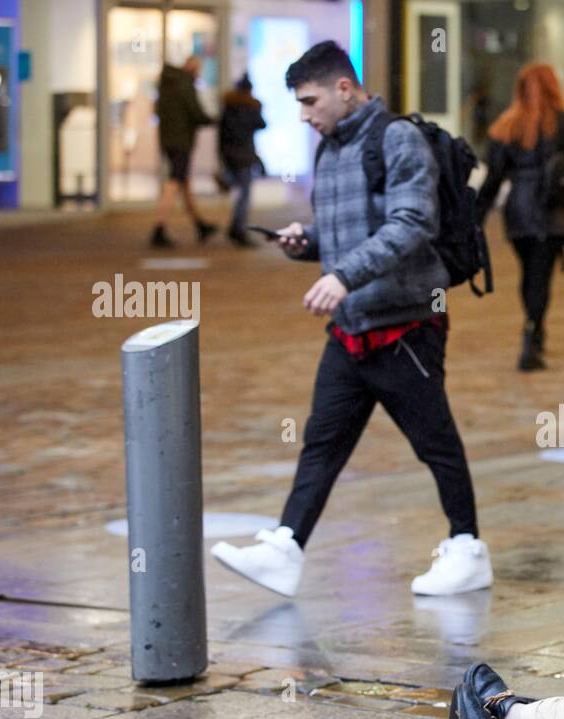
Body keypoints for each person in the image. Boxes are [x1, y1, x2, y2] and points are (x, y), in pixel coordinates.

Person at [210, 41, 491, 599]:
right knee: (322, 441)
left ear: (344, 88)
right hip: (351, 328)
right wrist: (307, 242)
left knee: (435, 441)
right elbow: (350, 233)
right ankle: (286, 547)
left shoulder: (396, 139)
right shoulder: (330, 149)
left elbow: (413, 222)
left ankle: (468, 549)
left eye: (311, 101)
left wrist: (343, 277)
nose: (305, 115)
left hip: (406, 325)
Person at [475, 64, 564, 372]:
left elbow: (492, 178)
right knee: (540, 276)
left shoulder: (507, 126)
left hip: (518, 212)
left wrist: (476, 217)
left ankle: (533, 329)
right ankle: (533, 333)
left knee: (530, 273)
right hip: (551, 210)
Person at [150, 56, 217, 248]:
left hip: (169, 140)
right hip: (181, 142)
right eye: (198, 69)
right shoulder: (185, 84)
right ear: (192, 68)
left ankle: (199, 224)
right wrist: (211, 120)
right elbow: (194, 111)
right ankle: (159, 227)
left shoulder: (166, 85)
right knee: (174, 182)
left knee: (184, 182)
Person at [219, 74, 266, 247]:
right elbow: (262, 124)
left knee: (240, 192)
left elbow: (221, 134)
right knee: (244, 195)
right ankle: (237, 228)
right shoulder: (252, 107)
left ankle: (236, 226)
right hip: (245, 156)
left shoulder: (228, 106)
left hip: (230, 155)